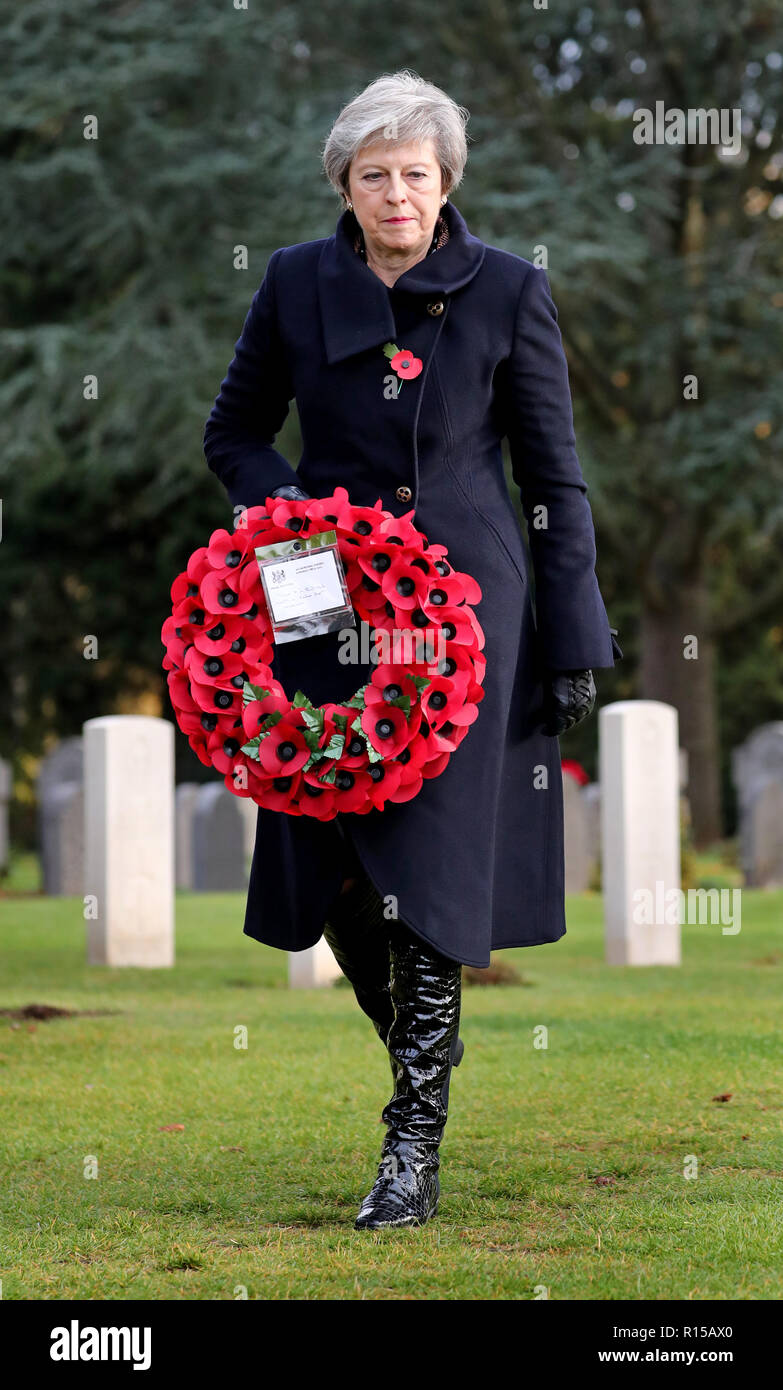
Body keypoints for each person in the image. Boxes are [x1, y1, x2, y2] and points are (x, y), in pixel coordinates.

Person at [202, 70, 622, 1230]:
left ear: (447, 184)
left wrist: (575, 631)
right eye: (376, 174)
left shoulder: (510, 291)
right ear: (346, 182)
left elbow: (553, 477)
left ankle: (411, 1145)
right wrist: (294, 526)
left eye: (418, 174)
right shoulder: (294, 282)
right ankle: (423, 1063)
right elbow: (233, 433)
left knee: (428, 865)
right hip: (319, 604)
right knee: (332, 858)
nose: (398, 193)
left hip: (463, 618)